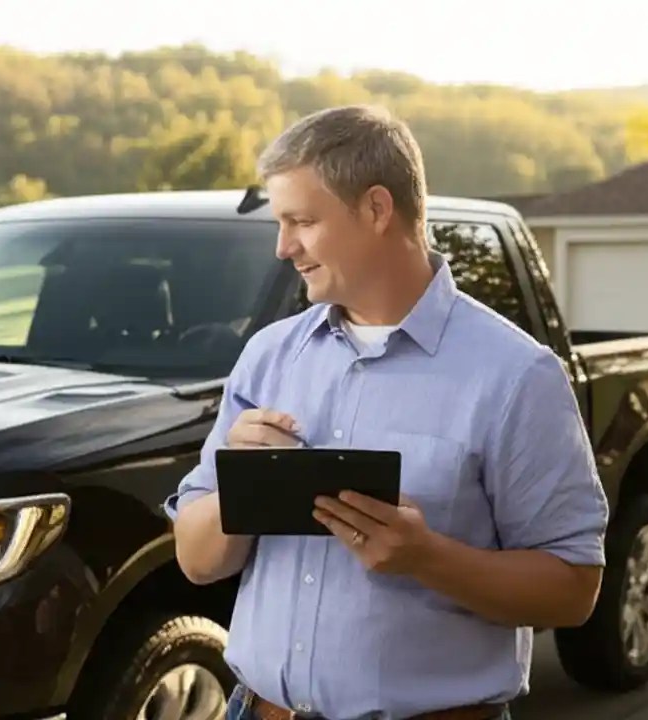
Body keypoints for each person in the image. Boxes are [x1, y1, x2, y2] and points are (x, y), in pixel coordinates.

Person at [163, 105, 609, 720]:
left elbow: (573, 590)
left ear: (376, 209)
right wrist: (244, 484)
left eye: (302, 221)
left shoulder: (515, 375)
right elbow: (195, 558)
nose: (282, 246)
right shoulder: (269, 357)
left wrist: (426, 558)